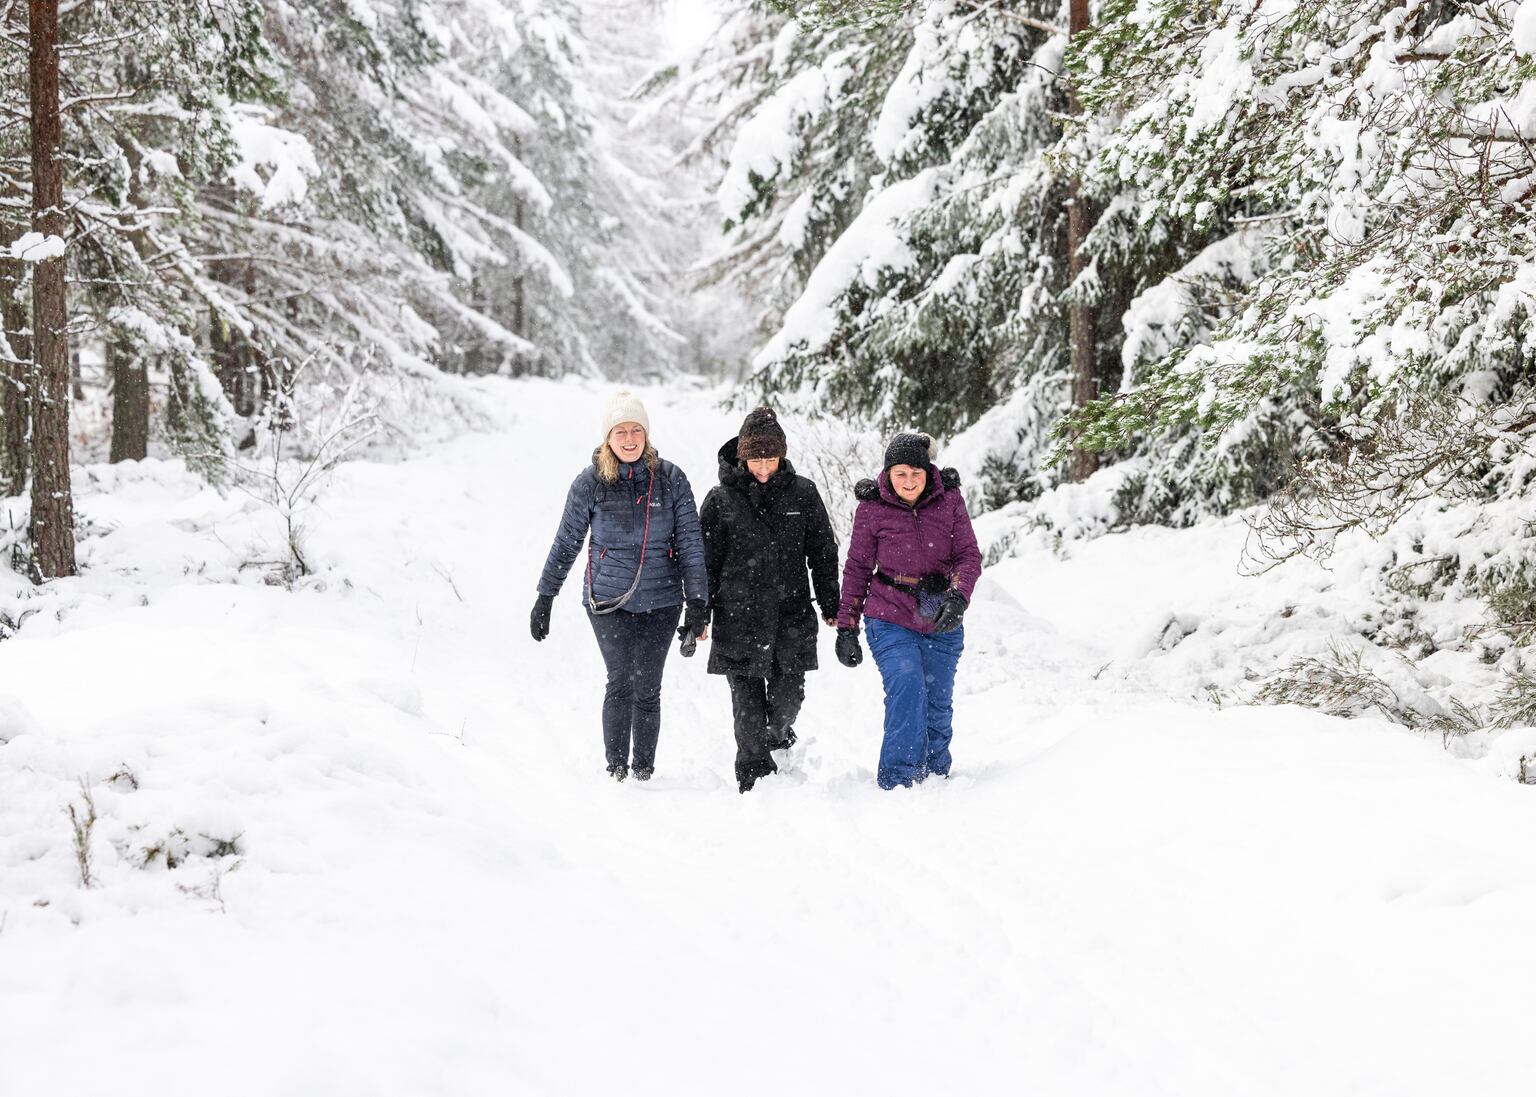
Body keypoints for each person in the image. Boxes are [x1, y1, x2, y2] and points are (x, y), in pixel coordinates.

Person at [531, 390, 709, 782]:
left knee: (647, 685)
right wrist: (546, 596)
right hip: (607, 600)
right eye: (620, 432)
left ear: (646, 435)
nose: (629, 439)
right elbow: (567, 541)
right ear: (607, 438)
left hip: (662, 600)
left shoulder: (671, 480)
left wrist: (697, 600)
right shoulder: (591, 483)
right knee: (620, 680)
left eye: (636, 431)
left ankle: (643, 770)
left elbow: (692, 543)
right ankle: (616, 770)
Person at [699, 407, 840, 794]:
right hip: (737, 618)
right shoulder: (721, 500)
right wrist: (700, 614)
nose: (764, 467)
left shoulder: (803, 493)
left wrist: (831, 602)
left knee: (786, 699)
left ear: (782, 456)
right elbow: (704, 564)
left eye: (771, 458)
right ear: (743, 457)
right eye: (756, 459)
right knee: (746, 706)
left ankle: (778, 736)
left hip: (790, 615)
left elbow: (823, 551)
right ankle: (754, 779)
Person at [835, 432, 982, 790]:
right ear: (888, 474)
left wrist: (959, 596)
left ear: (928, 470)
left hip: (940, 610)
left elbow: (968, 555)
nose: (909, 481)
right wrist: (846, 627)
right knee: (907, 683)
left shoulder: (949, 500)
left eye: (916, 472)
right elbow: (857, 567)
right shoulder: (872, 509)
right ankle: (899, 777)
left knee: (937, 699)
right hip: (889, 612)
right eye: (900, 473)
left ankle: (934, 775)